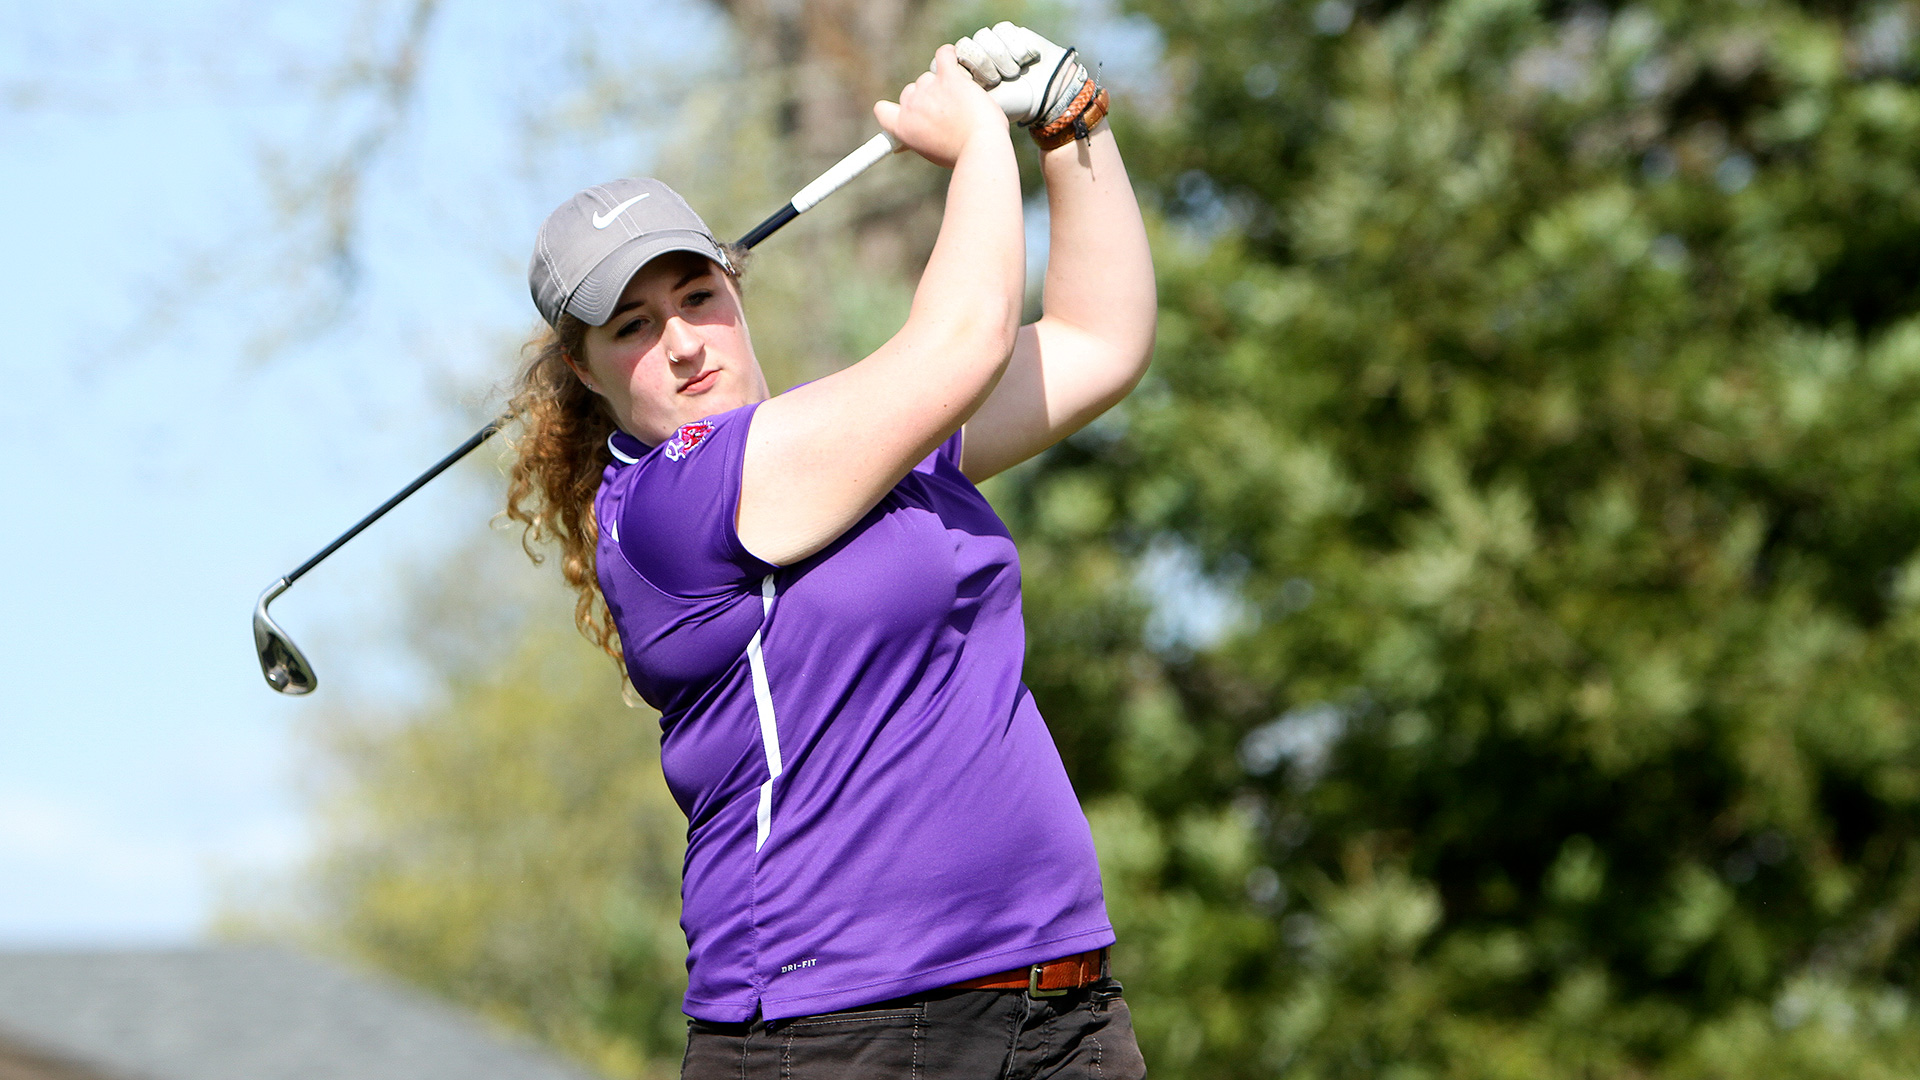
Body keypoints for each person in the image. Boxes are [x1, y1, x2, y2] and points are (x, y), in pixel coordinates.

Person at [505, 23, 1155, 1079]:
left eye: (697, 297)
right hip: (840, 1029)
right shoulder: (675, 497)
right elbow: (960, 345)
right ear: (583, 371)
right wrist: (979, 146)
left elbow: (1096, 342)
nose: (679, 341)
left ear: (736, 291)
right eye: (630, 325)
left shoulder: (857, 442)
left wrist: (1072, 123)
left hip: (1058, 1006)